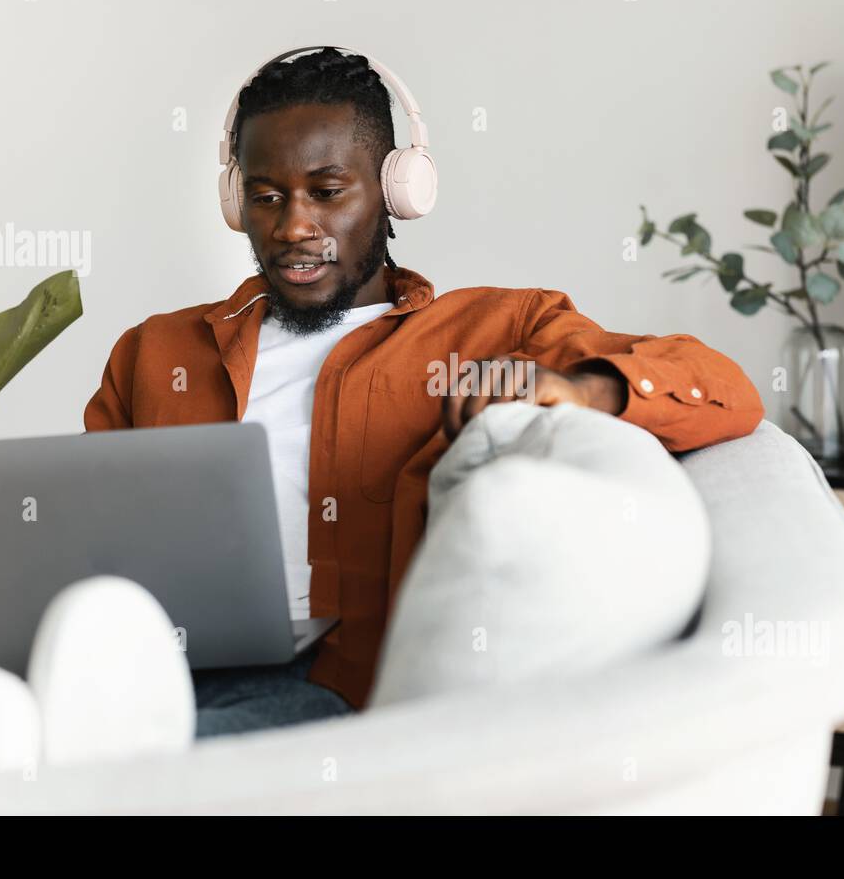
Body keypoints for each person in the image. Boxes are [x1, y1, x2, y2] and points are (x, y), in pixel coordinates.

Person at [82, 47, 765, 736]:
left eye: (326, 191)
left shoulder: (496, 328)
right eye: (266, 197)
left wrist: (580, 391)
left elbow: (726, 389)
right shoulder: (155, 352)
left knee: (120, 770)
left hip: (329, 694)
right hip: (151, 667)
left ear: (396, 192)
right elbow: (86, 532)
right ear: (236, 204)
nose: (293, 226)